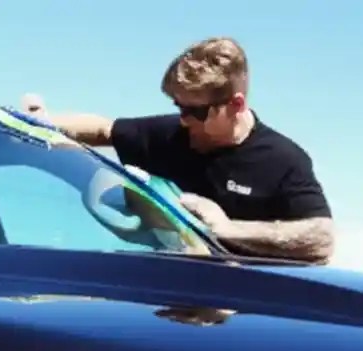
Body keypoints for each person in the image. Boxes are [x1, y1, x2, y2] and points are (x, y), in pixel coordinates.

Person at [21, 37, 335, 264]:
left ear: (236, 104)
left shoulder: (283, 160)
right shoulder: (170, 134)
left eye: (195, 111)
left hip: (240, 313)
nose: (183, 120)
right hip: (162, 297)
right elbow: (104, 129)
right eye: (178, 106)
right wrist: (43, 122)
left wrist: (227, 228)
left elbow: (321, 239)